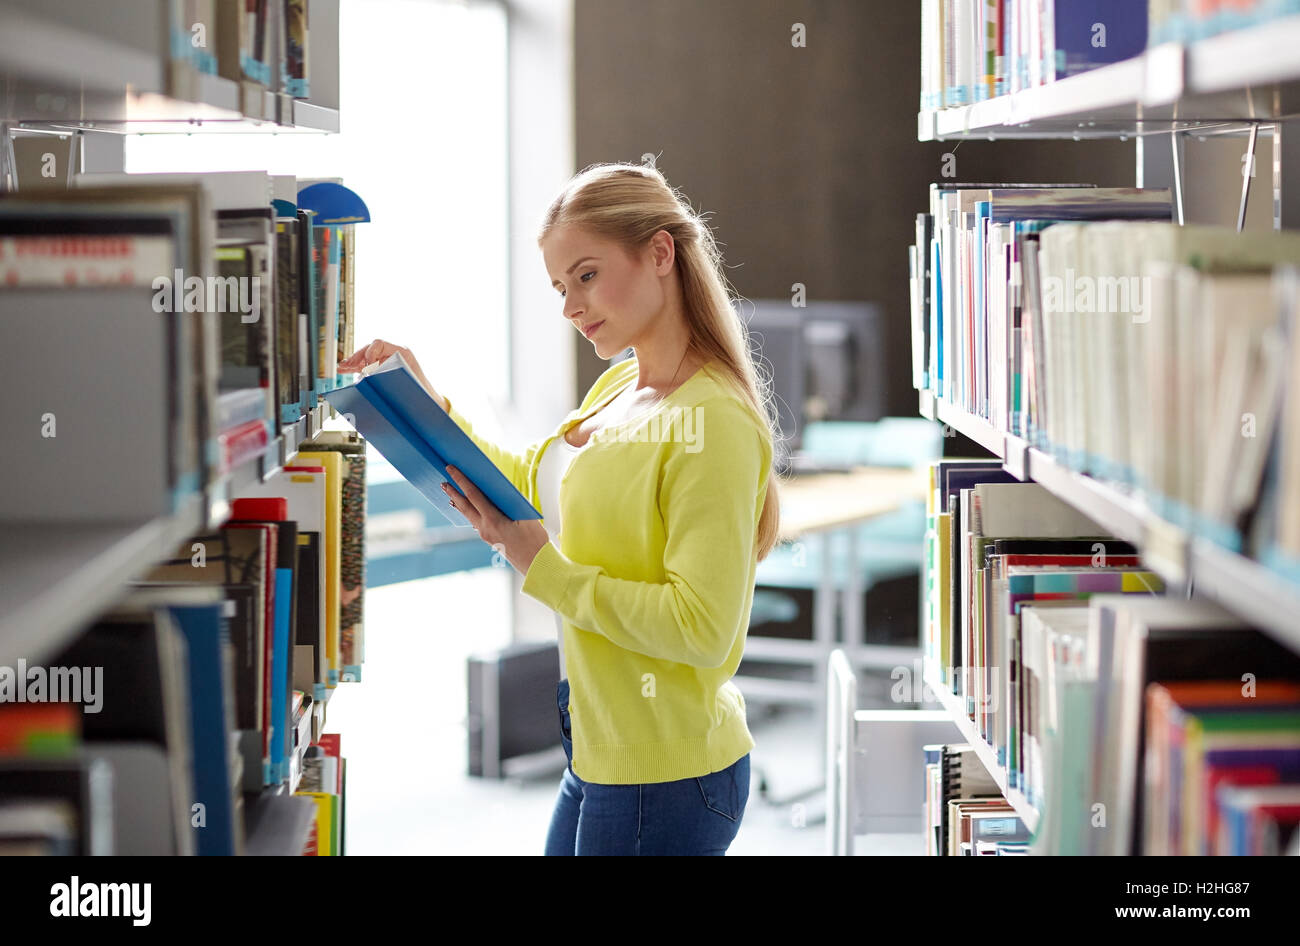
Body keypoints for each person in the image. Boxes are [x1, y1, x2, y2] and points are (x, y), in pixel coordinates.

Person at [339, 162, 781, 855]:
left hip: (665, 773)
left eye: (586, 275)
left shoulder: (714, 421)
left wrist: (539, 564)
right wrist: (429, 405)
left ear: (660, 253)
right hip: (598, 751)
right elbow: (532, 482)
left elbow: (701, 629)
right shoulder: (622, 383)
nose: (571, 307)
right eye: (559, 286)